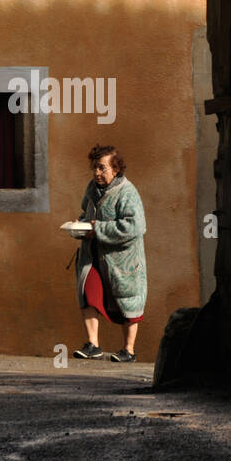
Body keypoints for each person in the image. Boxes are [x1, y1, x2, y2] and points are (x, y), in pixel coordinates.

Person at [71, 144, 147, 363]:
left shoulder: (127, 192)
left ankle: (129, 350)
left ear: (116, 169)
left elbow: (135, 226)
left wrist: (99, 229)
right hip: (92, 255)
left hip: (122, 259)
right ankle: (93, 345)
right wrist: (80, 226)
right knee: (87, 293)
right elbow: (87, 214)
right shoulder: (91, 189)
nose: (97, 173)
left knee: (129, 302)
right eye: (95, 167)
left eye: (102, 168)